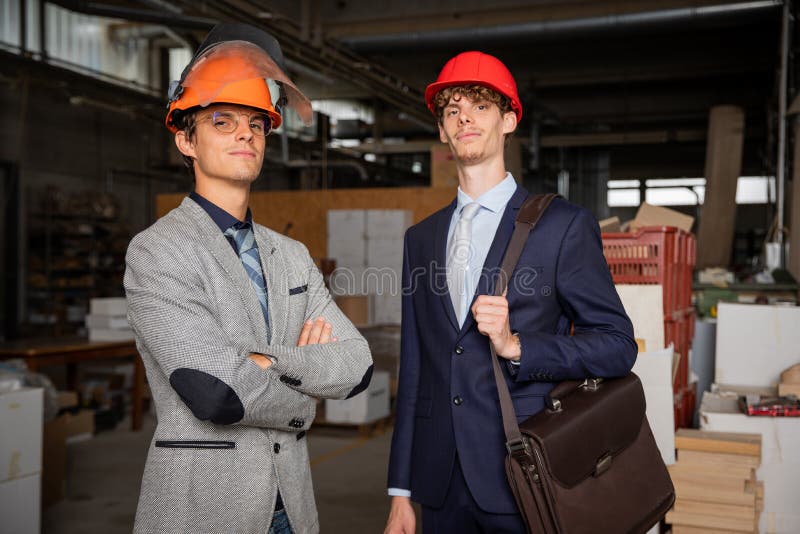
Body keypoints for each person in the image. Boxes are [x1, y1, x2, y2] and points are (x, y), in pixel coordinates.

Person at [124, 22, 373, 534]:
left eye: (256, 124)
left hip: (293, 508)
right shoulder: (158, 251)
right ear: (185, 140)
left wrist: (263, 361)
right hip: (203, 509)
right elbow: (216, 393)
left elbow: (358, 365)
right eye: (222, 121)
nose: (245, 133)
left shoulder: (292, 255)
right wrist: (306, 391)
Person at [384, 51, 637, 533]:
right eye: (452, 109)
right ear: (441, 131)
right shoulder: (420, 239)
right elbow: (416, 368)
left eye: (480, 105)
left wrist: (517, 346)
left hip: (522, 473)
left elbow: (617, 344)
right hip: (439, 488)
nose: (464, 118)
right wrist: (401, 491)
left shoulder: (562, 227)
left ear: (509, 120)